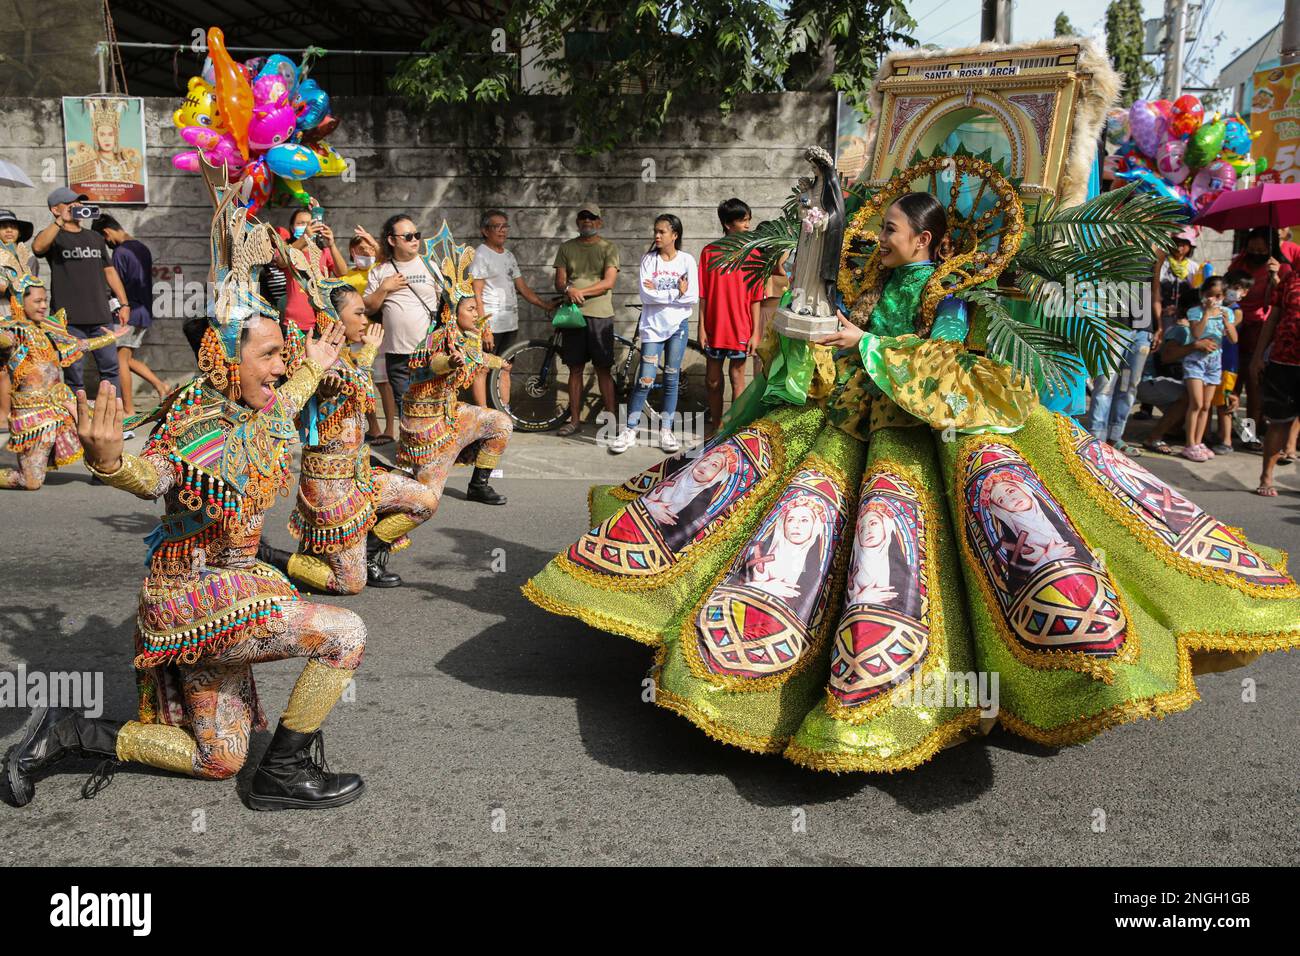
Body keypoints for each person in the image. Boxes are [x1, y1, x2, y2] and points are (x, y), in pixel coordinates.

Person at [523, 155, 1299, 774]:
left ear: (924, 240)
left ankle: (946, 691)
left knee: (949, 543)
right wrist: (829, 325)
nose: (882, 234)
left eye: (890, 227)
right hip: (856, 413)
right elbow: (858, 326)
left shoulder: (950, 290)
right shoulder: (891, 278)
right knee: (764, 511)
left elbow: (945, 363)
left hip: (924, 430)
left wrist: (857, 343)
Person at [2, 172, 366, 811]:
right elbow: (158, 477)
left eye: (284, 356)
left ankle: (64, 734)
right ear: (228, 361)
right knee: (343, 633)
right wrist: (114, 464)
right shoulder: (200, 422)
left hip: (231, 589)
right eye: (272, 355)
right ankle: (284, 772)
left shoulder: (259, 405)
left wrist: (316, 363)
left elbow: (288, 403)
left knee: (216, 758)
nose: (282, 366)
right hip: (191, 598)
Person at [258, 284, 439, 591]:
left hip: (360, 479)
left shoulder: (347, 358)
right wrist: (327, 386)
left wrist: (365, 355)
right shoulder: (318, 364)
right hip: (330, 491)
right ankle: (271, 556)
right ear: (334, 319)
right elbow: (339, 388)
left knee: (425, 501)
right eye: (358, 313)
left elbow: (365, 398)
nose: (365, 320)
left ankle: (369, 551)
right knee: (349, 584)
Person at [397, 222, 514, 506]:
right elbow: (430, 366)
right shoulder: (437, 338)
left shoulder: (466, 338)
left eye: (477, 308)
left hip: (451, 415)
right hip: (426, 427)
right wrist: (448, 362)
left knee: (500, 423)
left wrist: (501, 363)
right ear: (452, 311)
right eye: (470, 309)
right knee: (425, 500)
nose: (476, 314)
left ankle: (479, 485)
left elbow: (477, 358)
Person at [0, 275, 127, 489]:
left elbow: (79, 345)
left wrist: (111, 338)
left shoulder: (49, 329)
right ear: (21, 302)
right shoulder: (14, 331)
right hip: (33, 416)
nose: (43, 306)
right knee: (30, 483)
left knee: (97, 419)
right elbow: (4, 340)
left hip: (60, 403)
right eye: (37, 301)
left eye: (45, 300)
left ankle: (103, 471)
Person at [609, 213, 697, 454]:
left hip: (678, 326)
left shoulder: (687, 261)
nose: (657, 236)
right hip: (652, 328)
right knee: (645, 379)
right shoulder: (649, 260)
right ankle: (629, 430)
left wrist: (669, 295)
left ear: (674, 235)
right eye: (655, 231)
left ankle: (666, 430)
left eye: (662, 232)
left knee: (671, 378)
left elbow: (692, 296)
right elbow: (647, 296)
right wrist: (675, 294)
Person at [31, 186, 132, 393]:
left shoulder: (95, 238)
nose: (77, 206)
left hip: (101, 317)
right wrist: (61, 222)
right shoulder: (53, 236)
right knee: (73, 375)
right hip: (69, 322)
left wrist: (124, 303)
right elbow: (38, 248)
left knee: (110, 371)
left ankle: (113, 419)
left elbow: (110, 272)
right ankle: (78, 422)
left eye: (79, 203)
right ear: (55, 209)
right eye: (70, 204)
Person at [469, 209, 556, 409]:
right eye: (497, 226)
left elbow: (522, 288)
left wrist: (545, 305)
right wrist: (484, 329)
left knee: (505, 366)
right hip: (491, 323)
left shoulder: (508, 255)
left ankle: (503, 410)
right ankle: (483, 414)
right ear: (485, 231)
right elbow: (477, 294)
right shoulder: (481, 255)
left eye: (505, 226)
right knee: (482, 368)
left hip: (509, 323)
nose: (502, 231)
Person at [1082, 252, 1160, 456]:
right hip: (1114, 325)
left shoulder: (1156, 250)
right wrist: (1102, 321)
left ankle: (1115, 436)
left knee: (1129, 385)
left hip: (1143, 327)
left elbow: (1155, 289)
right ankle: (1096, 437)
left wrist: (1157, 325)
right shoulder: (1112, 245)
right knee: (1105, 383)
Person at [92, 214, 170, 417]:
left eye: (103, 240)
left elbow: (115, 284)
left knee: (120, 360)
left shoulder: (119, 252)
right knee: (125, 358)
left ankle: (128, 409)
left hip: (129, 312)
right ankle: (161, 386)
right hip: (143, 311)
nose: (106, 245)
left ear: (106, 233)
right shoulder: (142, 248)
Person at [699, 198, 764, 439]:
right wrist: (701, 328)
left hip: (741, 328)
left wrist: (755, 333)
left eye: (748, 219)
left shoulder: (754, 254)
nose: (747, 225)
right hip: (715, 328)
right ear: (727, 224)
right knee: (712, 381)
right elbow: (703, 294)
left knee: (738, 379)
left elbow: (756, 298)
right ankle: (715, 425)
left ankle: (733, 429)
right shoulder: (709, 252)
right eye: (741, 220)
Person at [553, 205, 619, 437]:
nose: (587, 221)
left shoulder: (608, 248)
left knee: (603, 369)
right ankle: (574, 420)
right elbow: (560, 281)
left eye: (592, 218)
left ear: (599, 222)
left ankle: (611, 422)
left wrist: (581, 292)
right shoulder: (566, 247)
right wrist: (569, 289)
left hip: (600, 315)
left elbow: (609, 281)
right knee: (575, 369)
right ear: (577, 222)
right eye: (583, 218)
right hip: (574, 317)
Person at [364, 213, 442, 410]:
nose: (414, 240)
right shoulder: (380, 271)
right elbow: (367, 307)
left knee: (431, 405)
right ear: (391, 240)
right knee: (404, 406)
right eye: (408, 236)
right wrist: (384, 288)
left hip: (428, 351)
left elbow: (446, 304)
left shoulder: (429, 266)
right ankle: (411, 441)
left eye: (417, 235)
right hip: (396, 354)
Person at [1228, 227, 1290, 448]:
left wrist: (1274, 276)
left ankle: (1249, 435)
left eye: (1261, 246)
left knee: (1254, 389)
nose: (1255, 250)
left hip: (1260, 333)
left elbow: (1282, 298)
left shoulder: (1281, 267)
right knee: (1231, 383)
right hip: (1235, 328)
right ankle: (1226, 434)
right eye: (1252, 245)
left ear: (1270, 246)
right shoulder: (1238, 263)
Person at [1253, 254, 1300, 496]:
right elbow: (1273, 317)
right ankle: (1266, 477)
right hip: (1284, 360)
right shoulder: (1290, 278)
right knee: (1279, 423)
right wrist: (1258, 355)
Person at [1179, 277, 1234, 462]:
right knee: (1196, 403)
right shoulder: (1195, 311)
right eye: (1209, 295)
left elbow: (1234, 338)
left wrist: (1227, 323)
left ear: (1224, 296)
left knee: (1206, 405)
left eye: (1218, 296)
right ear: (1203, 295)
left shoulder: (1226, 312)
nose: (1213, 299)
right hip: (1196, 360)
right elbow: (1196, 333)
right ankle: (1189, 444)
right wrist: (1207, 314)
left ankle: (1198, 441)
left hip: (1214, 361)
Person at [275, 205, 344, 333]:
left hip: (323, 319)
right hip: (295, 322)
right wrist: (304, 238)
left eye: (309, 223)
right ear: (291, 227)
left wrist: (331, 244)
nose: (306, 226)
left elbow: (342, 272)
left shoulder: (323, 250)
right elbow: (281, 261)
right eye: (301, 223)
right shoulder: (288, 248)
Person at [0, 208, 38, 430]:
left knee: (24, 364)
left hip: (24, 317)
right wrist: (14, 287)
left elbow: (33, 285)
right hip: (3, 314)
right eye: (3, 227)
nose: (8, 230)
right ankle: (4, 414)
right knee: (3, 367)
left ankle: (22, 410)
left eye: (12, 226)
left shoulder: (27, 256)